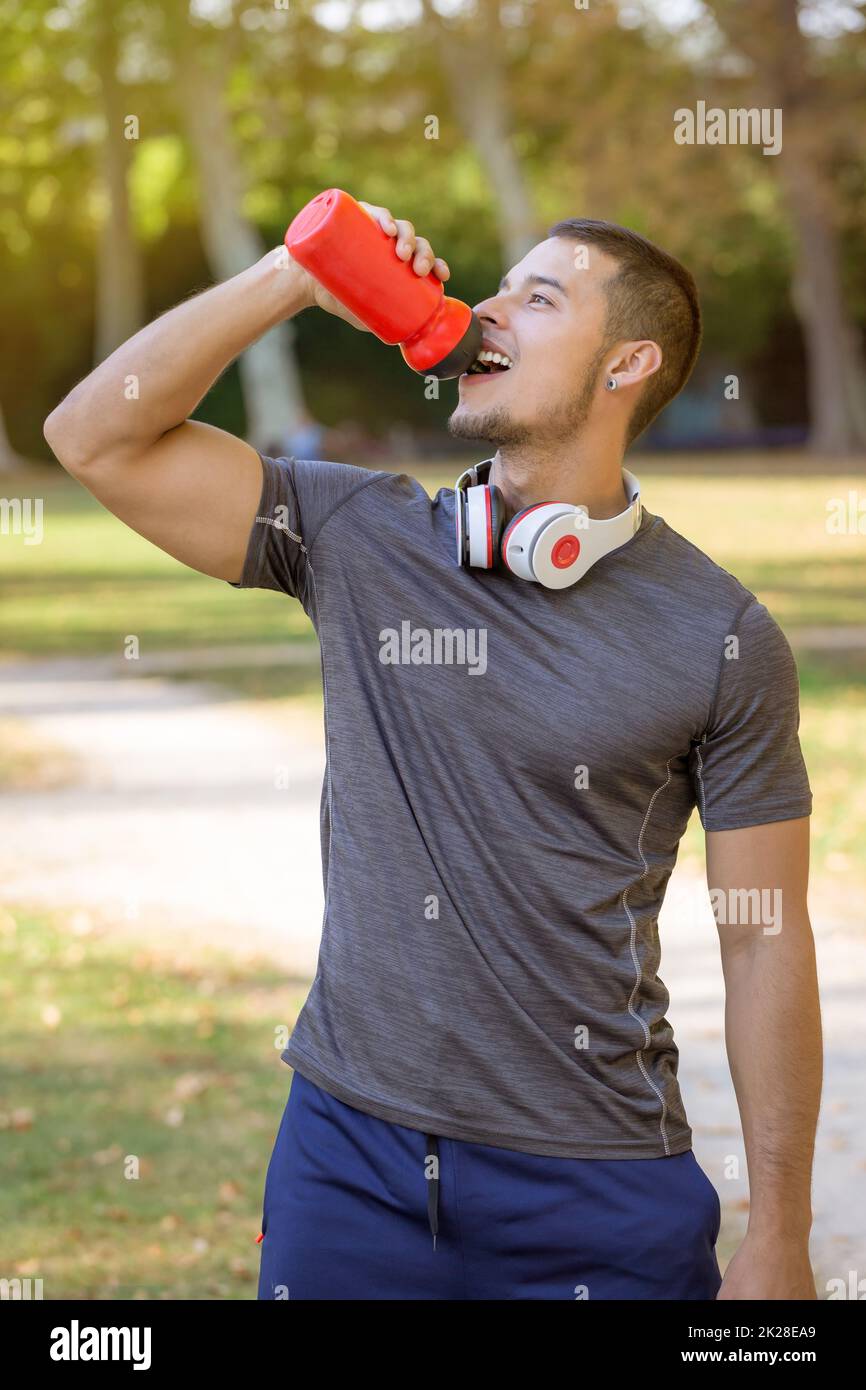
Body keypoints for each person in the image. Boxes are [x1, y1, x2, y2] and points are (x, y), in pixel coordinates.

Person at [44, 202, 820, 1302]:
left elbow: (761, 941)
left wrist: (778, 1230)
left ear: (627, 364)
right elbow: (94, 437)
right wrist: (291, 277)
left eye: (538, 298)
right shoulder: (360, 537)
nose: (487, 307)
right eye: (498, 285)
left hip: (597, 1192)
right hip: (346, 1165)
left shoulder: (723, 637)